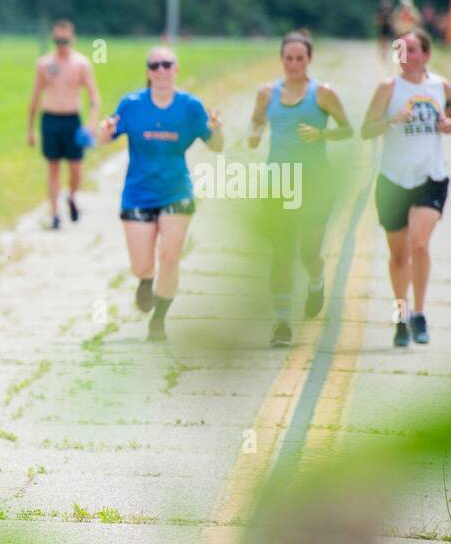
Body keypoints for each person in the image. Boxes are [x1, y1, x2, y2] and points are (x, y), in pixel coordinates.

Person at [97, 45, 224, 341]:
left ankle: (160, 320)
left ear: (176, 69)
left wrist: (216, 129)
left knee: (169, 257)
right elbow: (104, 138)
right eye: (155, 66)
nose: (161, 71)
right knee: (142, 264)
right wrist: (103, 130)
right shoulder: (131, 105)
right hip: (138, 194)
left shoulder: (190, 107)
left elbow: (217, 145)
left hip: (176, 192)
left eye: (167, 64)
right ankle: (145, 280)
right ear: (148, 72)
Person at [247, 30, 353, 346]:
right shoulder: (267, 94)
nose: (294, 64)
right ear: (281, 59)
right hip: (278, 184)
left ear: (309, 60)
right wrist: (254, 136)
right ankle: (282, 323)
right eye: (288, 58)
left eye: (300, 58)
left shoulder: (323, 93)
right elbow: (256, 122)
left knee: (308, 252)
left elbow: (347, 130)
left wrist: (322, 135)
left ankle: (317, 280)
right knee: (281, 253)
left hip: (316, 184)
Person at [360, 28, 451, 346]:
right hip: (393, 180)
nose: (406, 56)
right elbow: (365, 131)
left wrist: (447, 125)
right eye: (401, 50)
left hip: (431, 177)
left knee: (419, 245)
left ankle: (420, 314)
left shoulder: (440, 86)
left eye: (412, 50)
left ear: (426, 54)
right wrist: (393, 120)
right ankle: (401, 316)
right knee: (398, 256)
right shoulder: (388, 88)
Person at [27, 19, 101, 228]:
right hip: (50, 119)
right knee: (53, 168)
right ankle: (54, 213)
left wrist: (92, 122)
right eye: (57, 40)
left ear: (72, 39)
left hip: (72, 120)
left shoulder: (81, 64)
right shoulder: (44, 64)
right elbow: (35, 96)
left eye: (65, 40)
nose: (61, 45)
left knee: (76, 168)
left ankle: (71, 197)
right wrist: (30, 129)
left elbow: (93, 96)